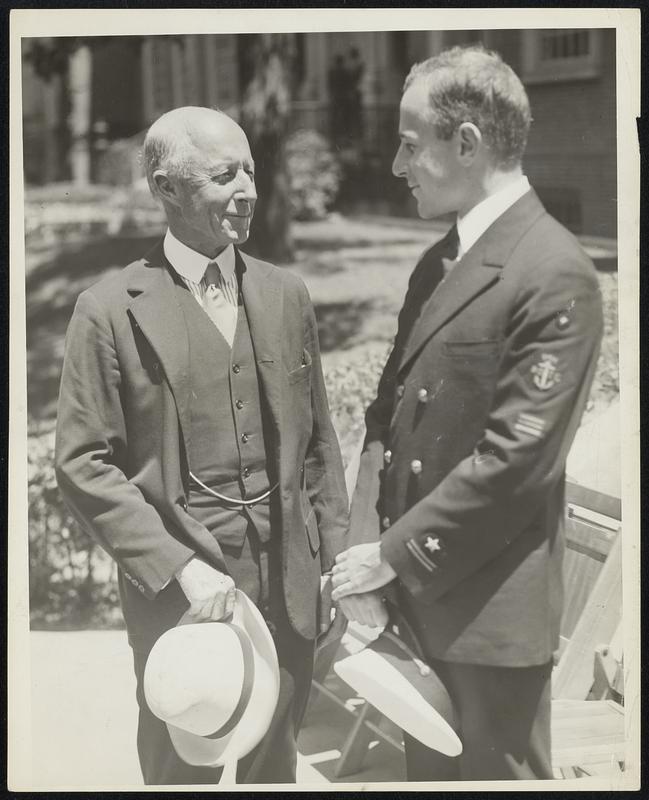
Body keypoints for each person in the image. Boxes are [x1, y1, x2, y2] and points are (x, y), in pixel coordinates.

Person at [331, 46, 603, 781]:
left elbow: (515, 461)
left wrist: (388, 558)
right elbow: (384, 420)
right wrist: (364, 564)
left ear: (467, 143)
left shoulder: (552, 271)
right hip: (416, 606)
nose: (396, 165)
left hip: (487, 619)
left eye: (409, 144)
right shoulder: (439, 264)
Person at [55, 106, 349, 785]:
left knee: (274, 768)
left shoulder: (285, 294)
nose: (247, 188)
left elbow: (317, 446)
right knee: (180, 772)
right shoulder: (107, 309)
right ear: (166, 187)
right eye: (224, 175)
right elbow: (81, 462)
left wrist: (332, 562)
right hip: (180, 600)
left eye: (251, 168)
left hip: (287, 587)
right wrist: (178, 567)